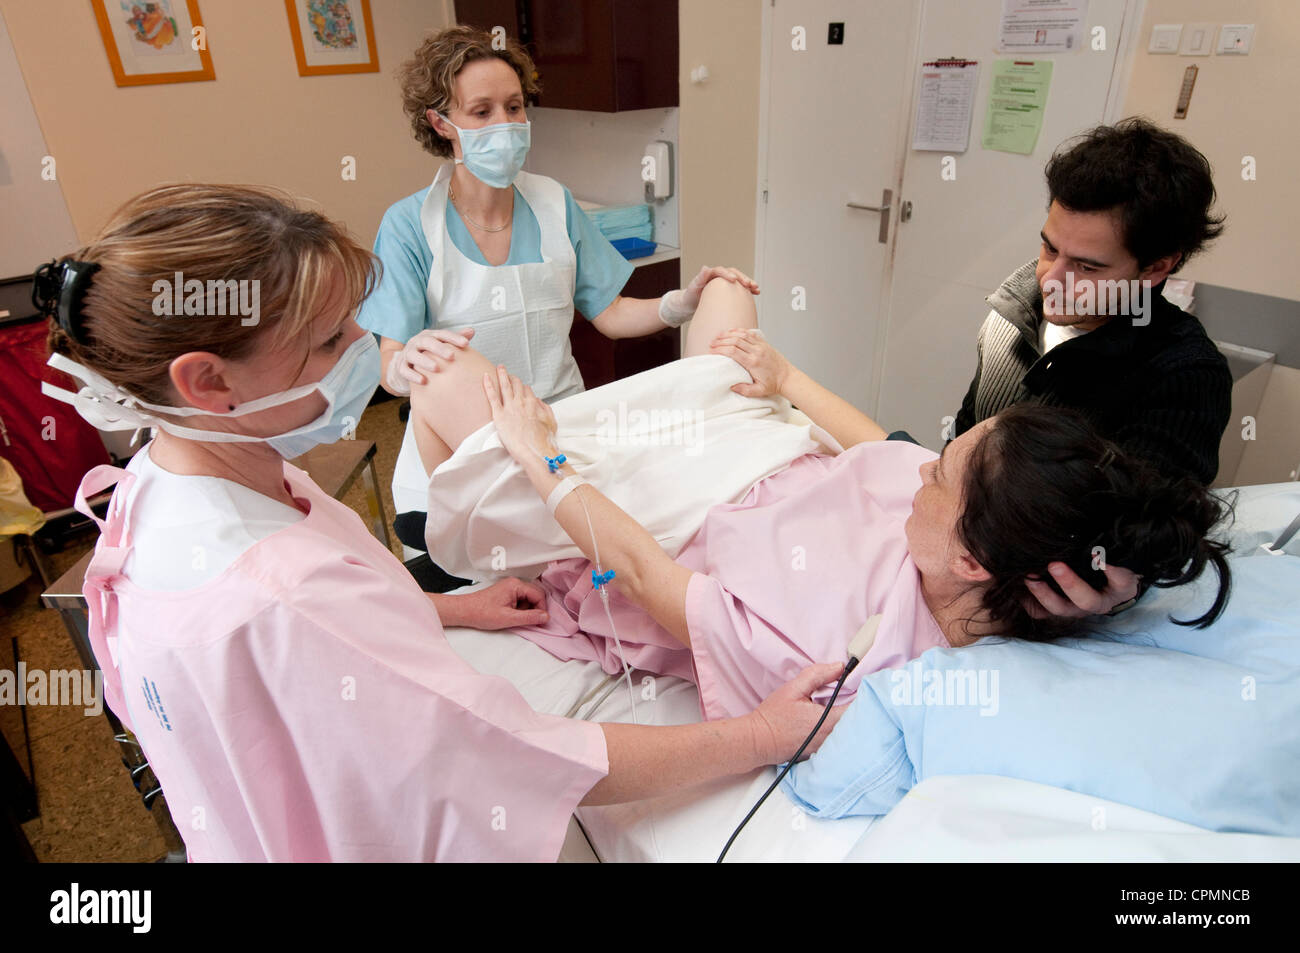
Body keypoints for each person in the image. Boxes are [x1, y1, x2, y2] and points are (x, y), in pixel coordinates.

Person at [37, 184, 844, 862]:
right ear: (208, 381)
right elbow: (521, 753)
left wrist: (443, 608)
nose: (367, 350)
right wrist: (762, 733)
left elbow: (311, 650)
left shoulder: (165, 477)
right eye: (329, 341)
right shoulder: (280, 591)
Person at [402, 278, 1232, 721]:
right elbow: (878, 448)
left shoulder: (828, 645)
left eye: (941, 476)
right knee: (730, 298)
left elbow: (638, 567)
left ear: (971, 557)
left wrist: (543, 458)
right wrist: (785, 378)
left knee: (443, 378)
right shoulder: (979, 543)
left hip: (661, 507)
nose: (922, 468)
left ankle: (437, 542)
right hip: (763, 447)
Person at [360, 25, 758, 557]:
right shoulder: (410, 225)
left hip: (565, 429)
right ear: (442, 123)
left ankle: (734, 477)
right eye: (482, 112)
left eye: (515, 106)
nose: (505, 124)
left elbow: (610, 312)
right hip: (469, 445)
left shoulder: (553, 203)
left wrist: (681, 303)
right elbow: (391, 362)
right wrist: (404, 363)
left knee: (727, 294)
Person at [953, 118, 1233, 620]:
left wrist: (1121, 585)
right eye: (1048, 247)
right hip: (950, 562)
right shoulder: (1014, 309)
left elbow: (1146, 541)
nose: (1050, 280)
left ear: (1155, 268)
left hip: (1032, 607)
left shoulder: (1183, 375)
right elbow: (964, 442)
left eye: (1088, 266)